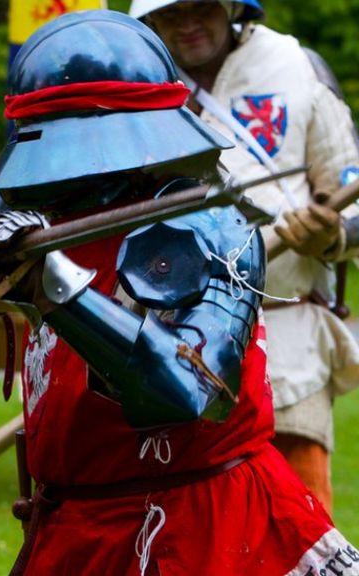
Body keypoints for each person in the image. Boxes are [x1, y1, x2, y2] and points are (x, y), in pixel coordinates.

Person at [0, 10, 358, 575]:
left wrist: (50, 286)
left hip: (205, 527)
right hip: (79, 530)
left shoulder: (206, 223)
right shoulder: (38, 213)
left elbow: (192, 387)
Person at [128, 0, 359, 512]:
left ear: (233, 5)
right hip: (174, 347)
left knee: (300, 519)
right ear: (150, 22)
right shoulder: (133, 88)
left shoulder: (296, 66)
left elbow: (352, 198)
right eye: (172, 12)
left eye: (203, 7)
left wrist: (331, 234)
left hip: (289, 337)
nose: (189, 23)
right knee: (191, 524)